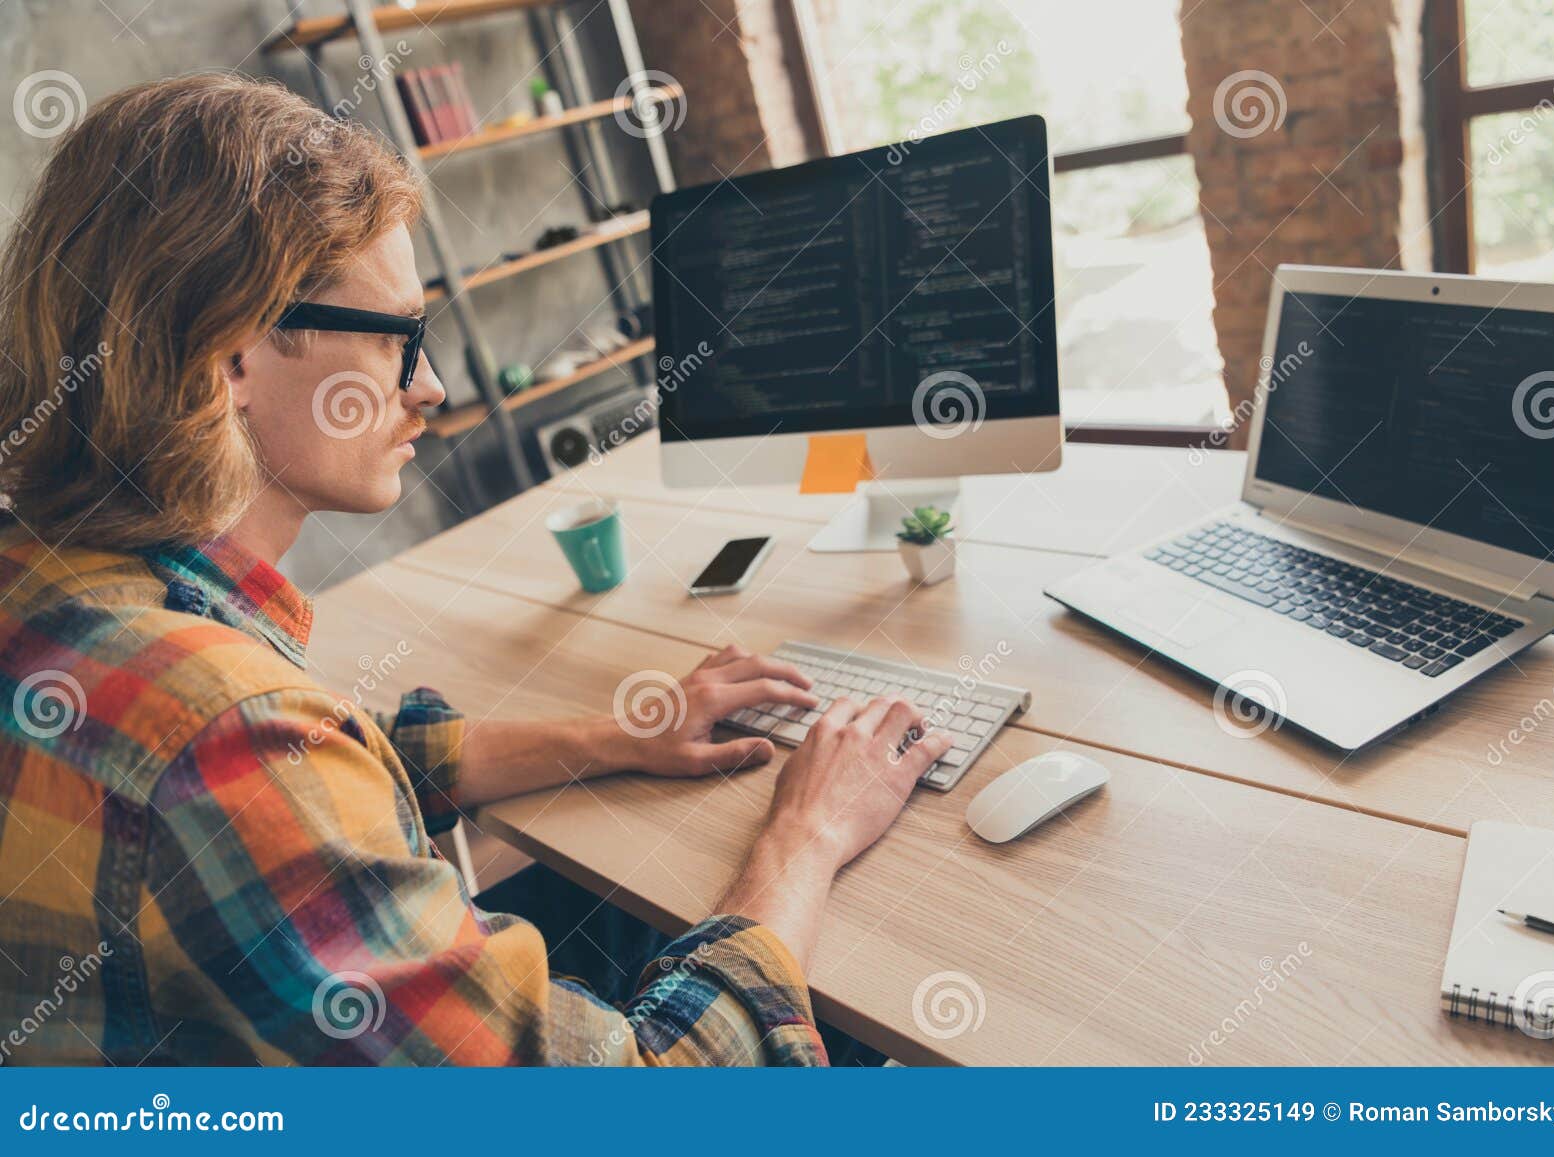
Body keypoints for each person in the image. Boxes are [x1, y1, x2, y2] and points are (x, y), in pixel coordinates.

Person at [0, 74, 952, 1066]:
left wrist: (615, 735)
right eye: (399, 338)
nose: (433, 387)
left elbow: (334, 763)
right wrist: (805, 833)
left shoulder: (50, 583)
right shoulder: (227, 738)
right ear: (234, 354)